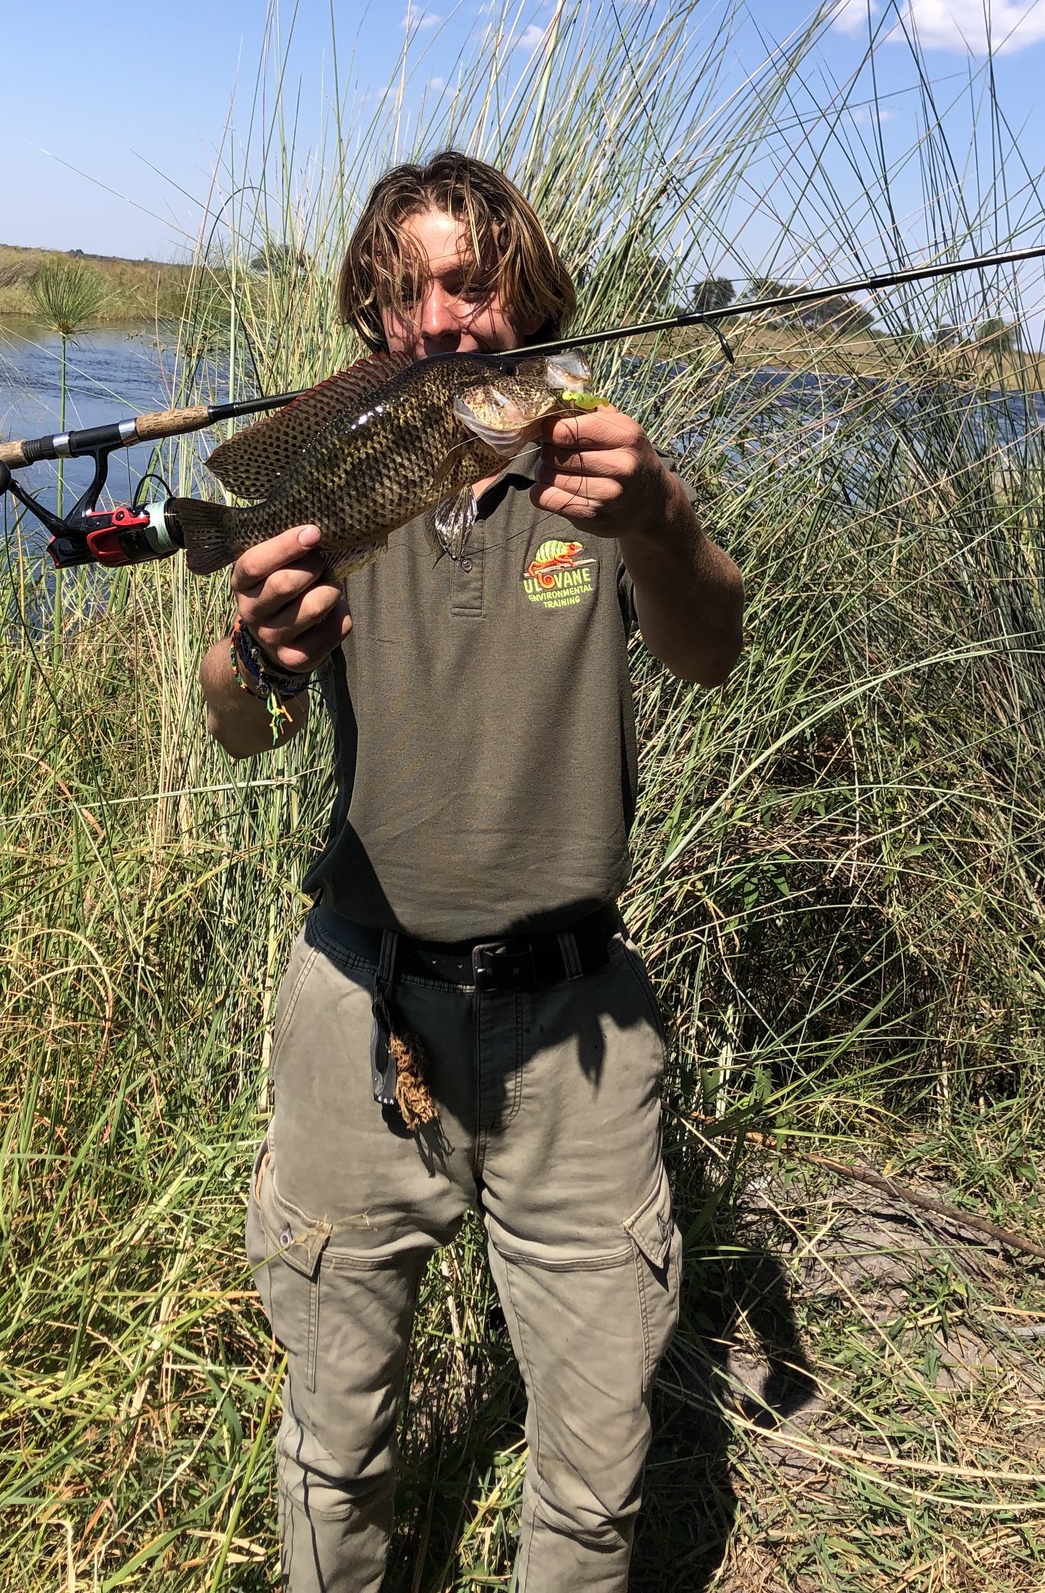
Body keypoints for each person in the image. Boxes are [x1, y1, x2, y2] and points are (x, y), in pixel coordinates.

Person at [198, 152, 743, 1591]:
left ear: (530, 296)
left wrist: (659, 518)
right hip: (358, 1008)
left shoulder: (603, 462)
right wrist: (253, 648)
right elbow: (242, 722)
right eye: (404, 293)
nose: (440, 320)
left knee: (594, 1469)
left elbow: (712, 647)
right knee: (334, 1439)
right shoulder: (347, 471)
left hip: (575, 1034)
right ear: (374, 319)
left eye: (471, 282)